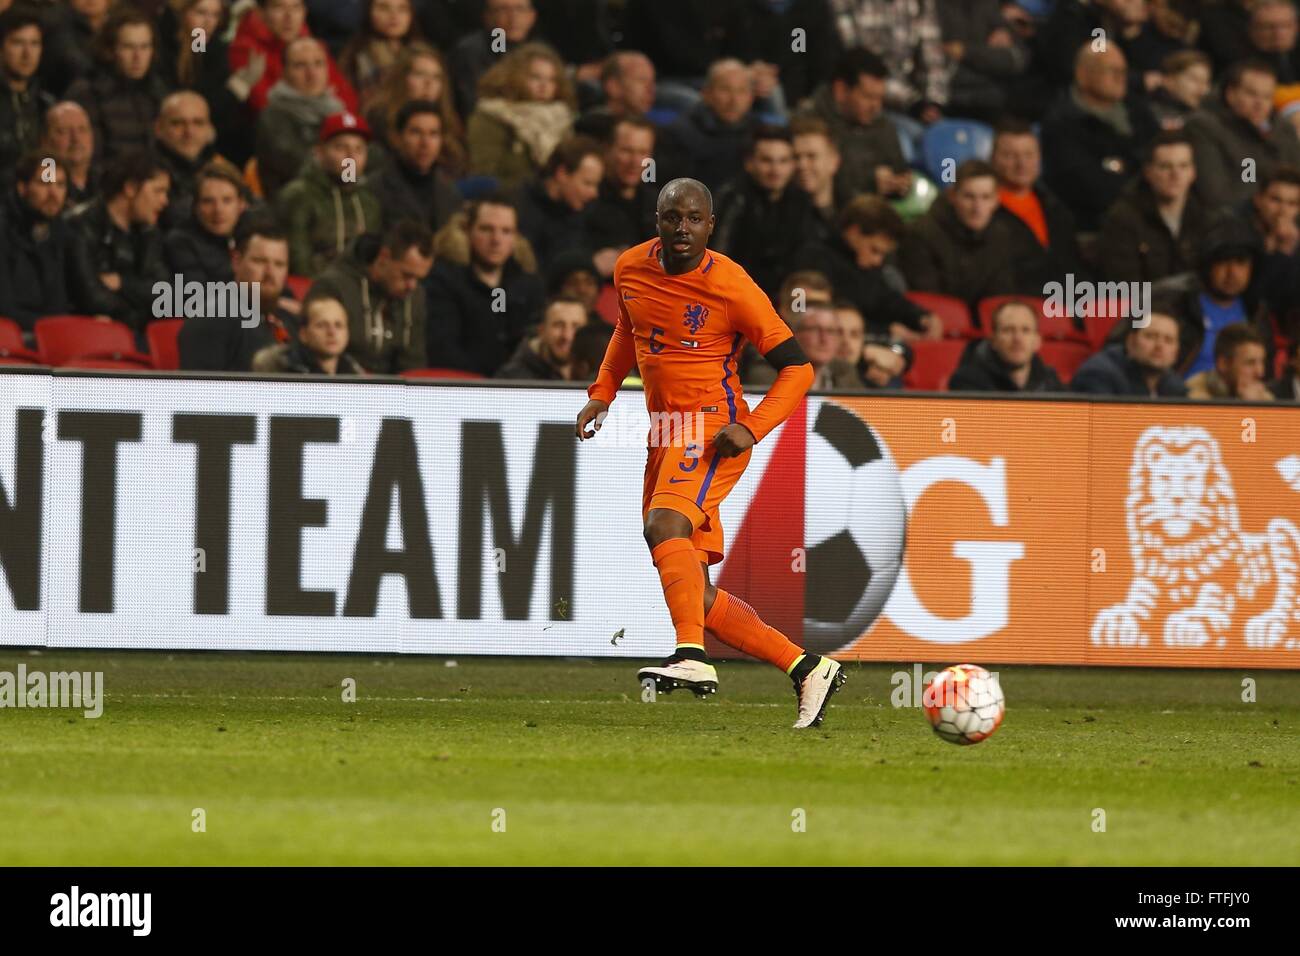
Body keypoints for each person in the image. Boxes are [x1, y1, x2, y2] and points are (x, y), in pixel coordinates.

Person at [574, 177, 845, 729]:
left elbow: (798, 367)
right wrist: (602, 393)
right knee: (696, 594)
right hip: (664, 431)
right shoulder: (630, 268)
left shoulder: (732, 285)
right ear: (657, 220)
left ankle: (692, 658)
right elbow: (627, 330)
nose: (682, 229)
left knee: (663, 524)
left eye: (694, 219)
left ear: (710, 226)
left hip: (711, 431)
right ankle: (805, 666)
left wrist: (753, 426)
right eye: (672, 217)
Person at [1040, 42, 1159, 231]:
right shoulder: (1062, 123)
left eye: (1123, 71)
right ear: (1082, 75)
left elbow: (1160, 151)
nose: (1121, 77)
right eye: (1111, 70)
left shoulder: (1136, 109)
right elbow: (1087, 186)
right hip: (1096, 225)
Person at [791, 195, 941, 341]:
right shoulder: (813, 259)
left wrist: (921, 316)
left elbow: (886, 299)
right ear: (854, 232)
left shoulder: (866, 266)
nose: (878, 261)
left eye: (883, 254)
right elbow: (812, 316)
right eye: (875, 250)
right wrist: (885, 332)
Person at [425, 193, 544, 374]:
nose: (496, 240)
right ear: (468, 231)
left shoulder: (528, 286)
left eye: (506, 231)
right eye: (487, 229)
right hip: (464, 389)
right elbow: (443, 349)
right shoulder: (444, 282)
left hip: (517, 390)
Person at [897, 159, 1027, 310]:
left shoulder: (1002, 237)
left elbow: (1002, 298)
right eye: (969, 197)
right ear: (952, 195)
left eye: (985, 197)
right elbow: (928, 301)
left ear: (996, 200)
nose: (977, 207)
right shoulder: (921, 234)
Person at [711, 125, 823, 299]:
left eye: (783, 161)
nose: (776, 170)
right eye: (766, 161)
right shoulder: (732, 199)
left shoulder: (801, 200)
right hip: (738, 298)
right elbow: (718, 261)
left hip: (785, 298)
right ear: (749, 163)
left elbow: (806, 256)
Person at [308, 219, 434, 373]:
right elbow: (317, 357)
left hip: (393, 393)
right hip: (341, 388)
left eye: (418, 279)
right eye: (406, 275)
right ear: (384, 257)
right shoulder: (333, 287)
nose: (412, 286)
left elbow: (413, 364)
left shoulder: (415, 296)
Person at [65, 149, 170, 332]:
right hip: (90, 333)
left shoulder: (149, 232)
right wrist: (138, 312)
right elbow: (92, 298)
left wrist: (123, 283)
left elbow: (166, 294)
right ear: (130, 188)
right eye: (158, 191)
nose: (165, 201)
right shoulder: (81, 226)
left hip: (135, 332)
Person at [177, 213, 298, 371]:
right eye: (259, 261)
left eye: (279, 264)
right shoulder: (211, 321)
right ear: (236, 261)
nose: (270, 273)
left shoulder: (290, 320)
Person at [1097, 130, 1212, 285]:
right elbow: (1124, 287)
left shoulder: (1207, 215)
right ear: (1148, 172)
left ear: (1193, 172)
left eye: (1183, 166)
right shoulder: (1122, 219)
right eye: (1166, 166)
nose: (1175, 174)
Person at [276, 110, 383, 276]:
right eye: (341, 147)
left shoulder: (368, 200)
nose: (351, 157)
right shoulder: (298, 196)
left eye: (359, 149)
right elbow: (298, 264)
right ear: (319, 153)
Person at [1184, 60, 1300, 211]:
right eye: (1252, 94)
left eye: (1267, 97)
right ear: (1231, 94)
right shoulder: (1205, 127)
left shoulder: (1283, 129)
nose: (1260, 103)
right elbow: (1215, 194)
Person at [794, 48, 909, 201]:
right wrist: (871, 182)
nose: (876, 106)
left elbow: (900, 168)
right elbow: (813, 179)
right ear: (841, 90)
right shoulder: (809, 122)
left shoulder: (882, 123)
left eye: (880, 98)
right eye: (868, 97)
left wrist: (899, 183)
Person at [65, 6, 171, 165]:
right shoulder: (88, 93)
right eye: (129, 47)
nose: (138, 56)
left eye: (144, 47)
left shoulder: (157, 91)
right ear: (109, 50)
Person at [464, 41, 576, 190]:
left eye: (551, 80)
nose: (544, 85)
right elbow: (486, 175)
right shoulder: (491, 115)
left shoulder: (562, 119)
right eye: (535, 77)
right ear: (515, 76)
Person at [990, 118, 1084, 292]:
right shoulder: (985, 211)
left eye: (1028, 155)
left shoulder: (1055, 207)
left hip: (1066, 308)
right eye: (1010, 155)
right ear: (993, 159)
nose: (1021, 164)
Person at [0, 150, 90, 328]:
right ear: (22, 188)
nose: (53, 194)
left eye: (60, 185)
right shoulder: (3, 231)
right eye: (44, 183)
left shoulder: (65, 234)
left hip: (55, 335)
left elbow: (85, 295)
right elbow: (4, 308)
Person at [227, 0, 357, 115]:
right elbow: (265, 106)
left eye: (296, 7)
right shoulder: (245, 50)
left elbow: (346, 99)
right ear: (260, 13)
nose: (289, 17)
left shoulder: (310, 45)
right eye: (279, 7)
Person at [255, 36, 345, 201]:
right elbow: (297, 165)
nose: (312, 74)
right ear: (284, 72)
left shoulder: (338, 111)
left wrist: (350, 177)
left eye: (318, 64)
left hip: (338, 201)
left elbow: (353, 166)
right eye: (300, 66)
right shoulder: (273, 116)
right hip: (295, 206)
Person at [656, 58, 761, 191]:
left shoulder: (760, 133)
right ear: (706, 93)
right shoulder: (678, 133)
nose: (734, 100)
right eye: (725, 89)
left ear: (751, 97)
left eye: (742, 91)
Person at [369, 98, 463, 233]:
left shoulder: (450, 193)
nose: (425, 143)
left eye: (433, 134)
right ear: (397, 138)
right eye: (416, 132)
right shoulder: (375, 189)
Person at [513, 134, 604, 272]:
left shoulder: (585, 208)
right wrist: (592, 266)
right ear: (562, 174)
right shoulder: (520, 208)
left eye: (596, 185)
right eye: (587, 183)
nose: (594, 193)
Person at [582, 116, 658, 274]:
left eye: (643, 152)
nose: (635, 161)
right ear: (607, 150)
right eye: (626, 151)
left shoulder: (658, 204)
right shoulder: (587, 199)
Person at [948, 300, 1065, 392]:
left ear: (1037, 341)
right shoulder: (967, 382)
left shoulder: (1050, 382)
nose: (1017, 339)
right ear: (993, 340)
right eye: (1008, 330)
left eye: (1026, 330)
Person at [164, 159, 248, 283]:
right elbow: (198, 297)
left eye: (227, 200)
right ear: (195, 207)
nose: (218, 210)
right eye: (208, 201)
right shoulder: (180, 243)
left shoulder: (252, 237)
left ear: (241, 204)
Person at [1071, 311, 1189, 397]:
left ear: (1176, 352)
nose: (1159, 346)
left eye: (1168, 340)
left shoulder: (1174, 384)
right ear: (1131, 341)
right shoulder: (1099, 374)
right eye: (1151, 336)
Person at [153, 91, 223, 230]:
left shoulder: (220, 168)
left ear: (210, 129)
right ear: (158, 128)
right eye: (178, 123)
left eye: (198, 123)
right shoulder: (147, 175)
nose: (189, 132)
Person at [252, 294, 367, 374]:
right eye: (321, 325)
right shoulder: (277, 368)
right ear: (303, 334)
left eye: (338, 325)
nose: (332, 332)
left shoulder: (354, 373)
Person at [0, 7, 54, 173]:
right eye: (17, 43)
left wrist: (48, 192)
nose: (27, 53)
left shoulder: (46, 104)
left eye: (34, 44)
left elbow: (49, 159)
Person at [494, 294, 588, 379]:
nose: (567, 336)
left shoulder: (597, 375)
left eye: (576, 327)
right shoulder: (510, 379)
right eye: (558, 325)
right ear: (541, 331)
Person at [1185, 321, 1275, 400]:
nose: (1260, 372)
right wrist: (1247, 406)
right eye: (1250, 363)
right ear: (1223, 364)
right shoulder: (1193, 394)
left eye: (1262, 362)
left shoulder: (1261, 396)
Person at [40, 101, 96, 208]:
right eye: (64, 131)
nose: (76, 139)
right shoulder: (42, 189)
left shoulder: (106, 184)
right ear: (45, 141)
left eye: (82, 130)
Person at [1149, 50, 1213, 129]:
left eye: (1206, 82)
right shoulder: (1149, 114)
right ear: (1169, 80)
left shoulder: (1207, 116)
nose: (1203, 90)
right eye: (1194, 80)